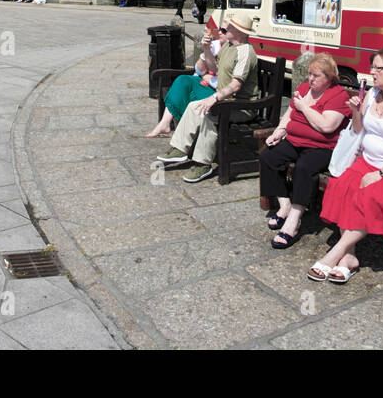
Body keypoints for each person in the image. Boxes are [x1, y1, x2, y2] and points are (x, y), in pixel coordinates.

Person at [307, 47, 383, 284]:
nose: (371, 72)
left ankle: (335, 253)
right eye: (372, 67)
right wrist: (355, 113)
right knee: (341, 186)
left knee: (370, 196)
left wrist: (380, 174)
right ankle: (350, 258)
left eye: (377, 68)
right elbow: (360, 130)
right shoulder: (373, 94)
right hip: (366, 161)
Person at [260, 53, 353, 249]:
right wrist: (279, 132)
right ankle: (284, 205)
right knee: (268, 155)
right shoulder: (304, 89)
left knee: (303, 168)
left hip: (323, 147)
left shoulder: (338, 95)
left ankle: (293, 221)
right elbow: (289, 114)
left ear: (329, 77)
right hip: (295, 140)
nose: (310, 79)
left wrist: (304, 107)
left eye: (316, 75)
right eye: (310, 74)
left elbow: (327, 126)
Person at [156, 15, 258, 183]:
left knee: (210, 114)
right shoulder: (229, 46)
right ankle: (179, 149)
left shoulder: (245, 52)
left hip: (242, 106)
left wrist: (214, 98)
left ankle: (203, 163)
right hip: (227, 101)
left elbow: (235, 85)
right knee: (194, 106)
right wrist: (206, 49)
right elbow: (214, 68)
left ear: (239, 32)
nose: (224, 30)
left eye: (229, 28)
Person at [145, 27, 224, 137]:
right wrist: (205, 50)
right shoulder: (215, 44)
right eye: (220, 29)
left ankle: (179, 134)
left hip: (216, 89)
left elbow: (218, 73)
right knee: (182, 80)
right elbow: (199, 70)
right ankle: (165, 123)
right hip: (205, 82)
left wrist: (205, 76)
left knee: (184, 93)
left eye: (224, 30)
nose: (220, 32)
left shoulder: (232, 50)